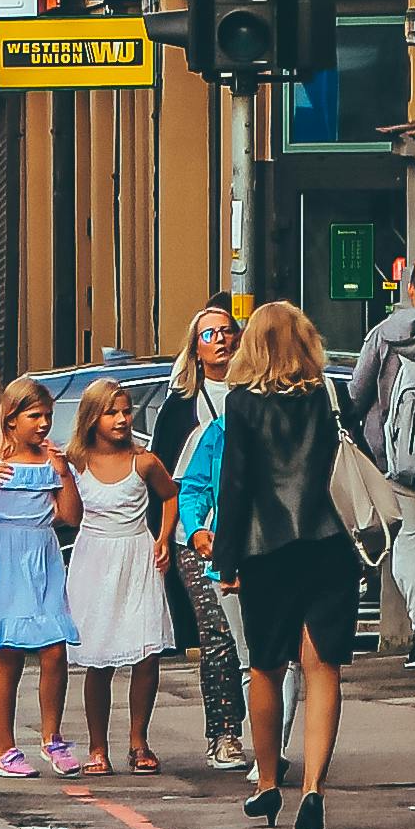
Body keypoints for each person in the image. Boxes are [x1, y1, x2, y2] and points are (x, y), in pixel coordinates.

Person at [207, 299, 360, 829]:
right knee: (323, 668)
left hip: (266, 548)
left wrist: (226, 559)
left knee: (266, 668)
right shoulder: (330, 395)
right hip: (329, 544)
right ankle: (314, 789)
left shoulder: (242, 405)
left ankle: (269, 784)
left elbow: (235, 484)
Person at [346, 248, 415, 671]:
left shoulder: (384, 335)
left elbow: (356, 396)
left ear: (411, 288)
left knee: (411, 545)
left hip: (394, 461)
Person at [0, 376, 82, 773]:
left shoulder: (51, 460)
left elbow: (71, 516)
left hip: (43, 553)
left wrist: (64, 473)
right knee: (9, 656)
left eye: (48, 415)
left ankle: (53, 738)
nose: (44, 424)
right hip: (5, 556)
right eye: (35, 416)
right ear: (11, 418)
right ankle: (4, 749)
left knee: (54, 649)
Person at [62, 375, 177, 773]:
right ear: (91, 417)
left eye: (126, 411)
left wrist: (163, 538)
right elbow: (67, 510)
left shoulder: (143, 461)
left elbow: (170, 494)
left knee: (146, 653)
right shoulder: (76, 462)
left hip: (137, 556)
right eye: (111, 412)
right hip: (94, 560)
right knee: (99, 658)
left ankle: (138, 741)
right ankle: (98, 747)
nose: (121, 419)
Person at [159, 299, 249, 769]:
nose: (222, 340)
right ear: (195, 348)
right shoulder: (182, 406)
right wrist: (170, 534)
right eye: (210, 334)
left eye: (228, 330)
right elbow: (166, 479)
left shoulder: (254, 394)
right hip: (196, 537)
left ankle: (268, 734)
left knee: (255, 638)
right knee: (217, 631)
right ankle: (224, 734)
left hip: (251, 533)